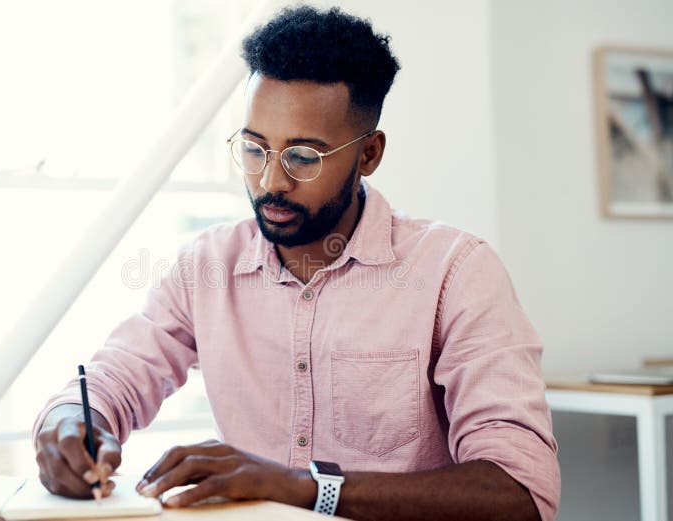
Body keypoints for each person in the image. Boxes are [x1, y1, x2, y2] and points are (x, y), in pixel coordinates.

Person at [32, 5, 560, 521]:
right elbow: (114, 379)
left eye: (303, 157)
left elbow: (520, 492)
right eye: (254, 148)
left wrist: (306, 488)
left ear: (369, 155)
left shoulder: (455, 272)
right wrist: (70, 424)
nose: (271, 181)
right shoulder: (206, 267)